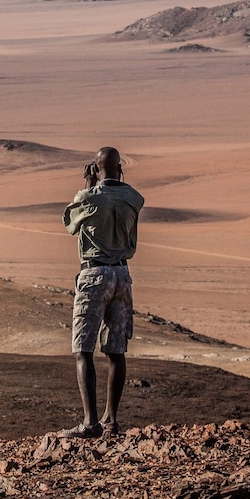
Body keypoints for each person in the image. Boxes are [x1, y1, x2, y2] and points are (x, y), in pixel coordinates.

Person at [57, 146, 144, 439]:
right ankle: (111, 420)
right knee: (116, 350)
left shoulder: (89, 197)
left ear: (96, 168)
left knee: (83, 349)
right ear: (120, 168)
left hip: (94, 274)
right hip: (122, 274)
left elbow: (70, 222)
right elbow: (126, 194)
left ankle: (90, 422)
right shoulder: (133, 198)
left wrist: (87, 184)